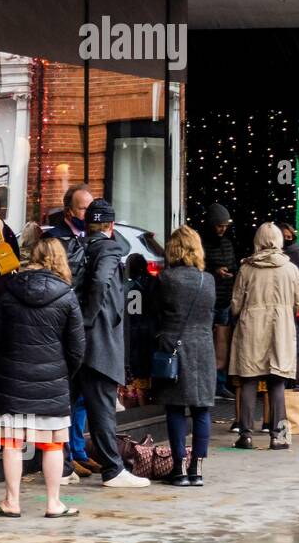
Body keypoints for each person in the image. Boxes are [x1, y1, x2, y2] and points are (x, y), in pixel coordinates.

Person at [0, 237, 84, 519]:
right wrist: (63, 375)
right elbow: (77, 348)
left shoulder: (8, 290)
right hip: (52, 382)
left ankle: (12, 502)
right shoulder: (66, 295)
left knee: (12, 443)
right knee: (52, 444)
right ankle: (53, 504)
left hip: (12, 379)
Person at [76, 198, 149, 487]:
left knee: (75, 407)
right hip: (99, 343)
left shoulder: (82, 247)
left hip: (81, 345)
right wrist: (89, 319)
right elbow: (100, 282)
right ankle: (113, 470)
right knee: (103, 409)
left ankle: (67, 465)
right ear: (111, 225)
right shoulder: (107, 250)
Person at [228, 222, 299, 451]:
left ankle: (246, 435)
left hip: (252, 328)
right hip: (280, 329)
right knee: (277, 382)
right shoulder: (290, 269)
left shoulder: (246, 268)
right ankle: (278, 436)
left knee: (249, 380)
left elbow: (235, 305)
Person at [152, 226, 217, 486]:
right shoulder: (208, 279)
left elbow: (155, 311)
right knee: (202, 409)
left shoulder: (166, 279)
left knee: (175, 409)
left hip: (174, 347)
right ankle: (197, 469)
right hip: (203, 348)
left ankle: (178, 469)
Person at [47, 184, 98, 479]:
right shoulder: (56, 240)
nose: (88, 214)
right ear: (69, 211)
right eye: (83, 209)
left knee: (80, 396)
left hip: (82, 326)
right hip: (64, 326)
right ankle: (64, 455)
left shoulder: (91, 239)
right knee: (66, 395)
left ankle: (78, 450)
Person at [201, 203, 238, 409]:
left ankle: (219, 383)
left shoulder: (227, 244)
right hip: (208, 300)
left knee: (221, 344)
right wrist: (215, 271)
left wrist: (228, 273)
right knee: (207, 343)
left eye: (225, 226)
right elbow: (200, 266)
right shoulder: (202, 243)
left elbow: (233, 264)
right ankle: (208, 383)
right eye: (218, 226)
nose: (222, 229)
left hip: (223, 299)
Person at [278, 219, 299, 391]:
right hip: (286, 311)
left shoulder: (297, 255)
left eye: (289, 237)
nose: (287, 239)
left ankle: (294, 388)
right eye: (284, 237)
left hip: (296, 311)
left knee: (296, 351)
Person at [123, 253, 157, 406]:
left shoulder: (125, 286)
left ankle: (132, 401)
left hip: (130, 331)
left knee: (132, 370)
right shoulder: (152, 283)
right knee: (145, 373)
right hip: (147, 331)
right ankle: (146, 405)